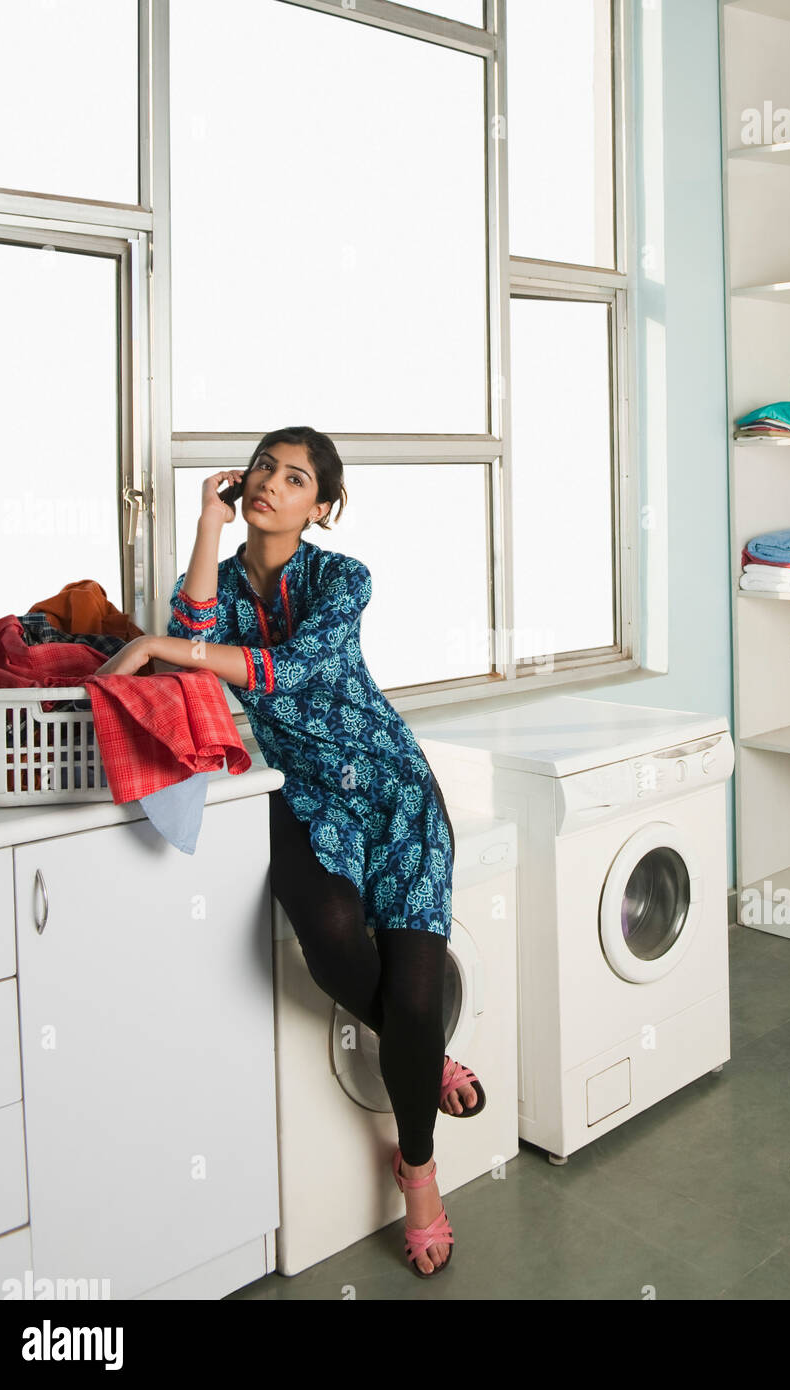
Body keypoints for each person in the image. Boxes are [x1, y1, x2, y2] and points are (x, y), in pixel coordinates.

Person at [94, 426, 485, 1277]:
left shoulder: (344, 578)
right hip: (302, 795)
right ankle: (426, 1056)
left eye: (296, 476)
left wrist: (164, 648)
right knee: (340, 958)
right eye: (264, 467)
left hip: (391, 792)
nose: (272, 482)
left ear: (323, 505)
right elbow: (193, 626)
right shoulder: (227, 584)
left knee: (417, 989)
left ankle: (416, 1172)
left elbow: (290, 669)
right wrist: (205, 523)